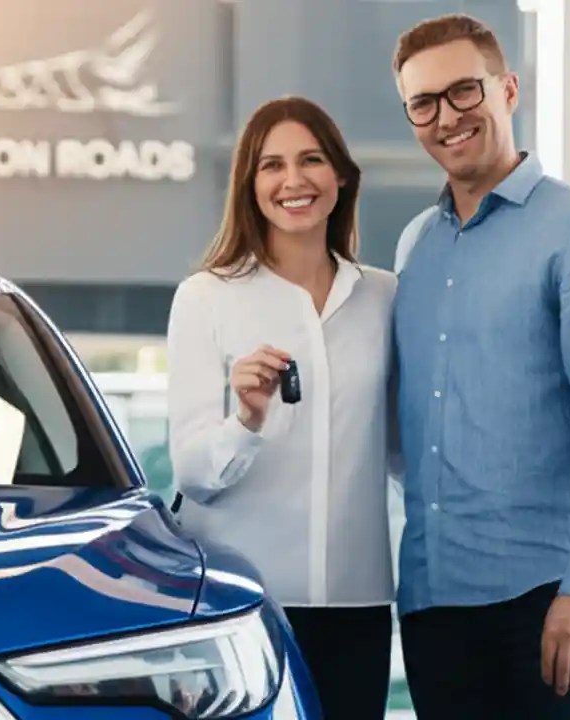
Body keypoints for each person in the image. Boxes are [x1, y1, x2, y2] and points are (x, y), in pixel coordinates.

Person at [389, 14, 570, 719]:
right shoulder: (415, 245)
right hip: (432, 605)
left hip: (549, 602)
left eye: (463, 92)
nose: (446, 118)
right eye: (423, 103)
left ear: (507, 90)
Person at [166, 96, 396, 719]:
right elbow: (191, 472)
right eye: (272, 166)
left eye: (311, 160)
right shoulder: (206, 298)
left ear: (341, 175)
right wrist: (246, 419)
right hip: (239, 607)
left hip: (359, 604)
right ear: (250, 184)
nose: (293, 181)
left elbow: (403, 445)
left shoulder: (382, 295)